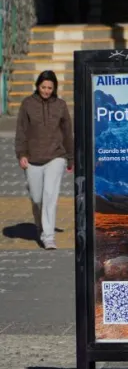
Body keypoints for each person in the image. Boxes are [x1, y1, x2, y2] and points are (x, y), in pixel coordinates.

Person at [14, 71, 73, 249]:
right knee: (37, 198)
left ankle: (48, 237)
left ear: (54, 88)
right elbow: (21, 132)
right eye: (43, 87)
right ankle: (40, 226)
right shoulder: (27, 104)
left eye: (50, 88)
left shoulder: (61, 105)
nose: (46, 91)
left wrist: (70, 158)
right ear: (37, 86)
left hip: (56, 156)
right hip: (33, 158)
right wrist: (21, 154)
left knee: (49, 196)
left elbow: (67, 133)